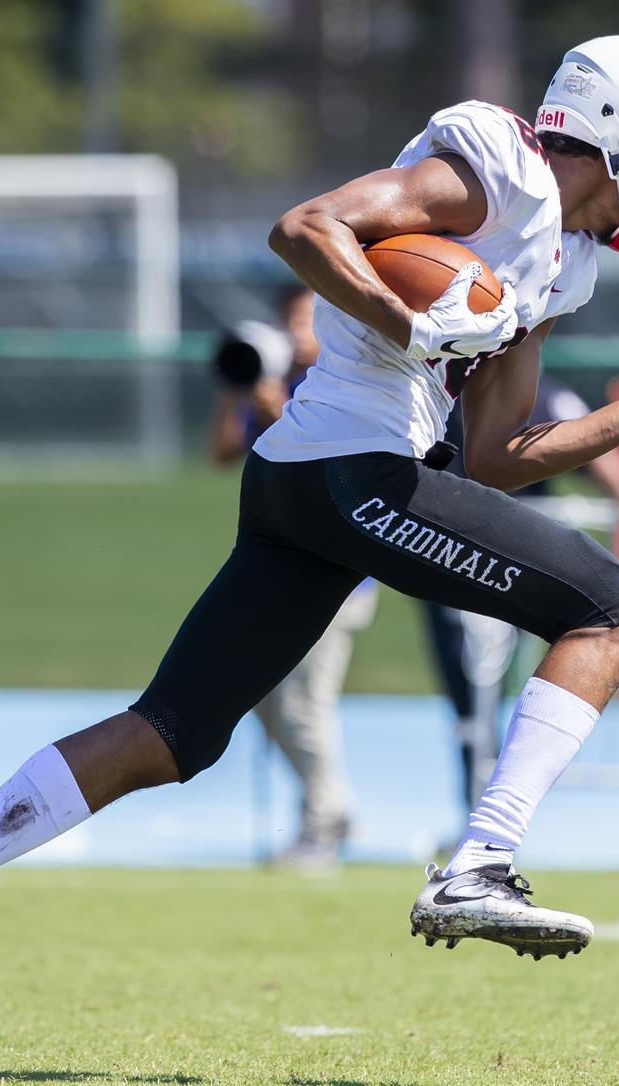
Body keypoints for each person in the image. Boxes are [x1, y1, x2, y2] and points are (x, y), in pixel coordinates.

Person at [0, 34, 619, 1059]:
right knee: (616, 612)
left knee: (168, 735)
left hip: (311, 483)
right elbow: (305, 228)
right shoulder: (497, 167)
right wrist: (405, 322)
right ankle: (480, 860)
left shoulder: (566, 265)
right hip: (352, 467)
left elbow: (493, 455)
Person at [422, 376, 619, 822]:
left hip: (508, 568)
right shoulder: (434, 385)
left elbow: (590, 439)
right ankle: (478, 817)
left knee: (506, 691)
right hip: (441, 557)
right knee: (469, 702)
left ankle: (494, 818)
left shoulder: (538, 390)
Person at [210, 285, 378, 872]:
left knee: (307, 703)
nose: (295, 330)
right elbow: (222, 453)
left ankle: (319, 830)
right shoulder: (270, 379)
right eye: (288, 319)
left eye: (306, 317)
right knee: (256, 696)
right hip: (278, 567)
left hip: (337, 577)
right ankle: (335, 803)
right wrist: (240, 392)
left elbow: (320, 449)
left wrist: (274, 403)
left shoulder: (342, 379)